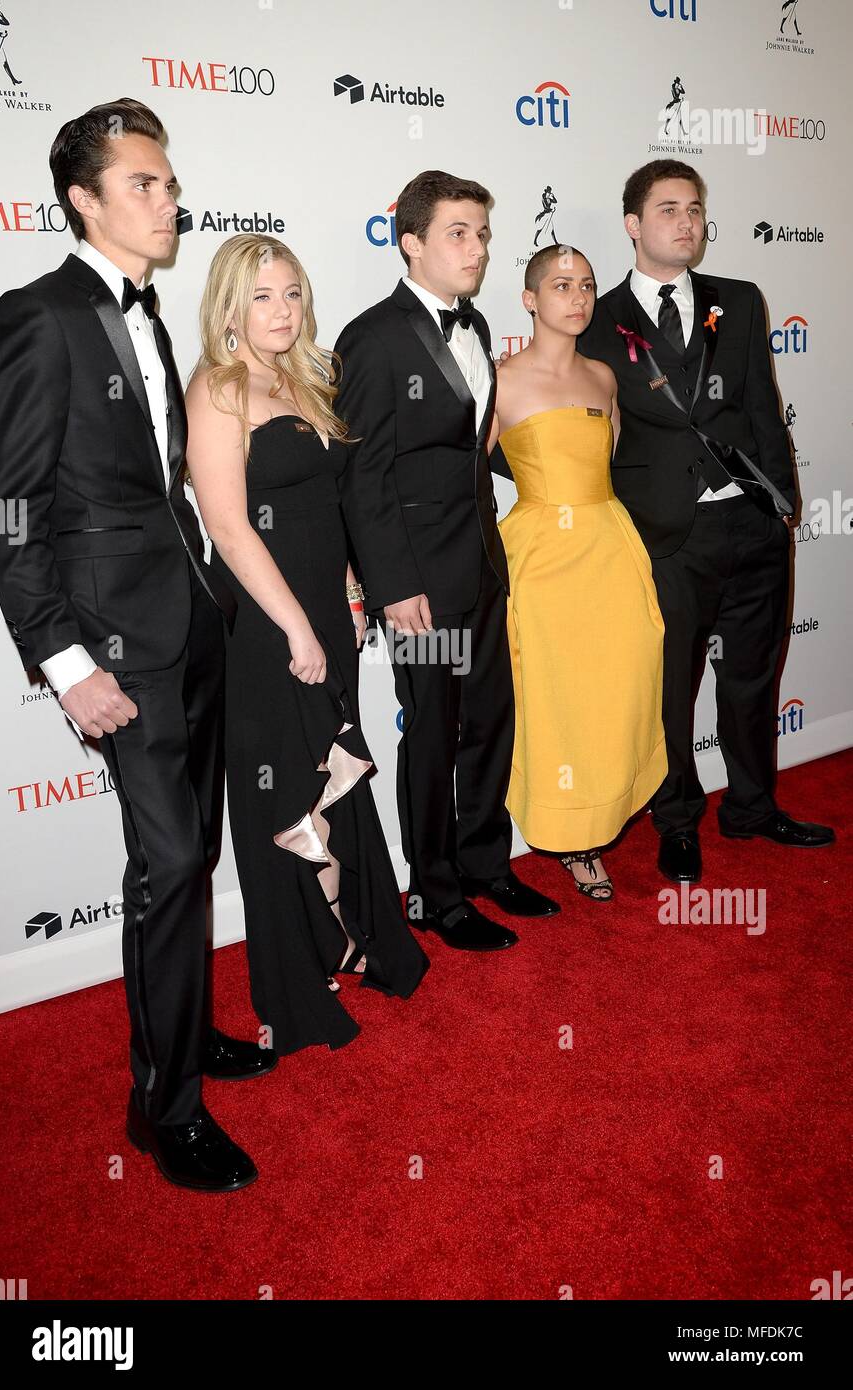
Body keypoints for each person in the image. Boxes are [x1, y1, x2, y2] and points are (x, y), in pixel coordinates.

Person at [0, 99, 275, 1193]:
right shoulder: (39, 313)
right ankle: (165, 1109)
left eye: (168, 180)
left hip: (189, 621)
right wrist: (65, 664)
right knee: (166, 864)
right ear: (83, 200)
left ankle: (185, 1034)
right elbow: (6, 506)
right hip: (114, 647)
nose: (169, 198)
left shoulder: (149, 317)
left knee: (189, 858)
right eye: (143, 183)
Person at [184, 235, 428, 1056]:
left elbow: (336, 507)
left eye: (291, 293)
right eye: (260, 297)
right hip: (265, 626)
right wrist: (294, 625)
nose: (280, 310)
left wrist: (350, 598)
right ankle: (297, 978)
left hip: (327, 615)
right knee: (284, 796)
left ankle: (341, 937)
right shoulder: (217, 389)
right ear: (228, 305)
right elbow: (225, 524)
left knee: (330, 781)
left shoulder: (304, 378)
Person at [577, 159, 834, 882]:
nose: (685, 222)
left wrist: (779, 505)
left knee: (752, 677)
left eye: (693, 209)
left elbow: (760, 406)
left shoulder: (739, 300)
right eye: (667, 210)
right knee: (668, 687)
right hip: (662, 537)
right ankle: (676, 819)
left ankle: (752, 808)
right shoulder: (596, 321)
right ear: (632, 225)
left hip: (750, 528)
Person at [333, 170, 560, 952]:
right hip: (420, 586)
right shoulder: (371, 337)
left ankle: (483, 865)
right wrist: (393, 587)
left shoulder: (476, 323)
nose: (477, 249)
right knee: (430, 732)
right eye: (458, 234)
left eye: (483, 234)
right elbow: (362, 477)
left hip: (480, 567)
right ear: (412, 243)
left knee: (489, 722)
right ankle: (432, 892)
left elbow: (469, 451)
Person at [489, 245, 666, 900]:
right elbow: (467, 478)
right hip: (541, 558)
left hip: (608, 548)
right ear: (530, 299)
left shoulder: (602, 376)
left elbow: (607, 458)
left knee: (613, 686)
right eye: (560, 285)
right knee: (555, 699)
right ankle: (572, 838)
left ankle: (604, 807)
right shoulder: (499, 380)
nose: (578, 297)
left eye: (587, 285)